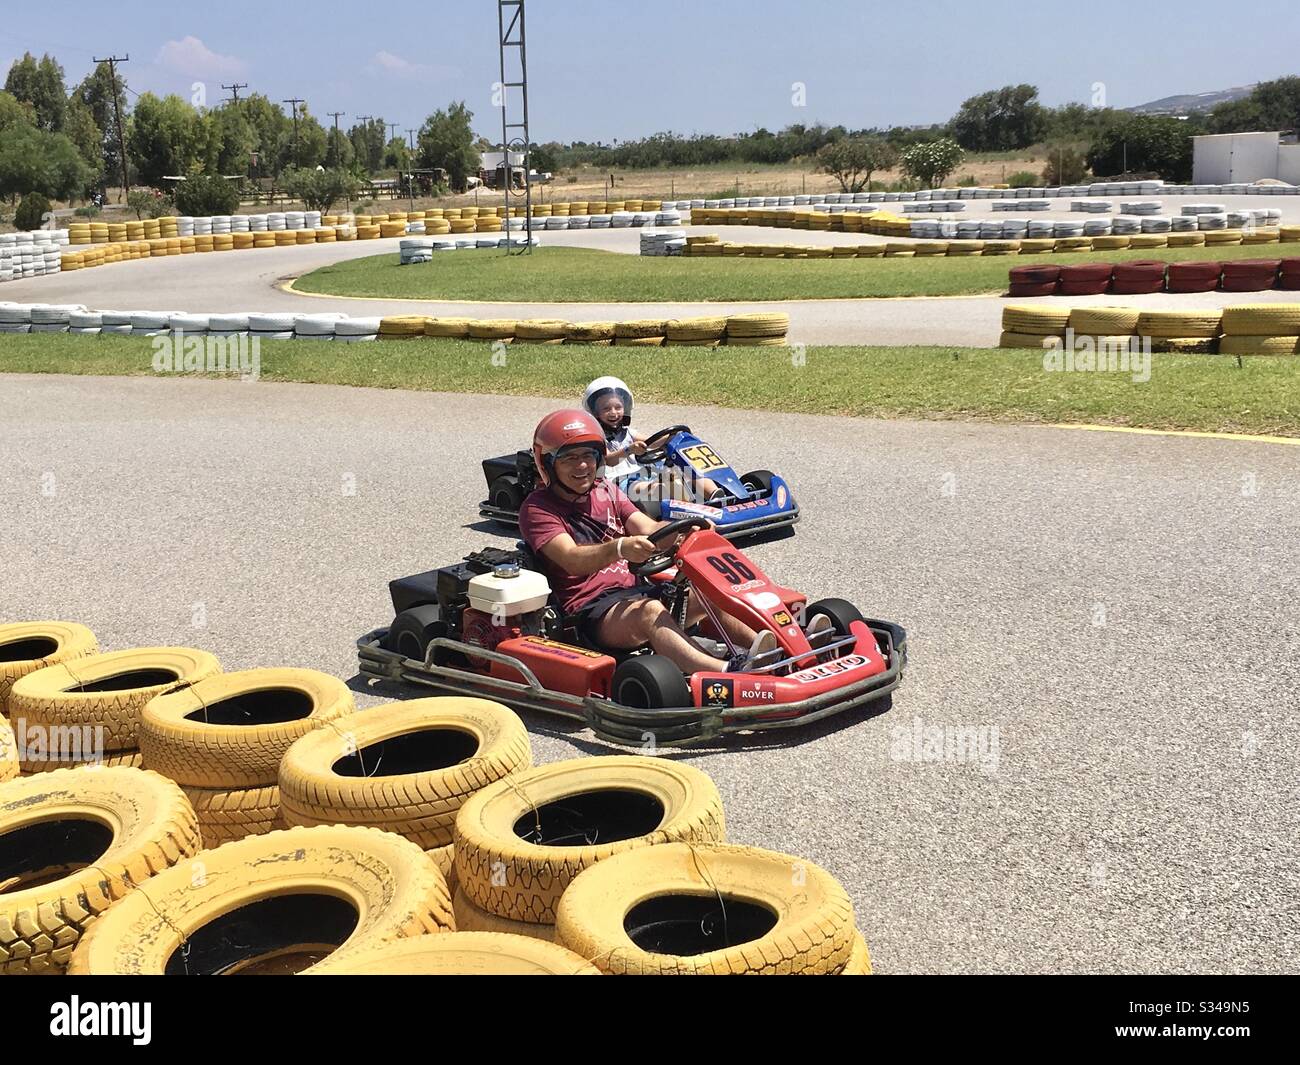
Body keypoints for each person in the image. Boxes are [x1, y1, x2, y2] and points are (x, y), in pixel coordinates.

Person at [518, 409, 775, 675]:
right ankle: (728, 672)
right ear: (548, 463)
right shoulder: (538, 509)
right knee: (650, 611)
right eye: (569, 458)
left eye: (588, 456)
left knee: (709, 590)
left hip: (634, 592)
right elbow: (571, 559)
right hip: (590, 611)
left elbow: (649, 528)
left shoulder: (605, 489)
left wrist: (685, 530)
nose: (582, 466)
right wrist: (619, 548)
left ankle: (777, 652)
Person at [581, 376, 719, 505]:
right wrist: (629, 450)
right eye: (606, 409)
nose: (614, 412)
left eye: (618, 407)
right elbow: (609, 460)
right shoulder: (597, 437)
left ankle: (716, 496)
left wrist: (674, 437)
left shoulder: (629, 433)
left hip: (647, 473)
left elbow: (653, 442)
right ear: (595, 412)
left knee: (687, 471)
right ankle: (690, 512)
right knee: (661, 488)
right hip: (620, 482)